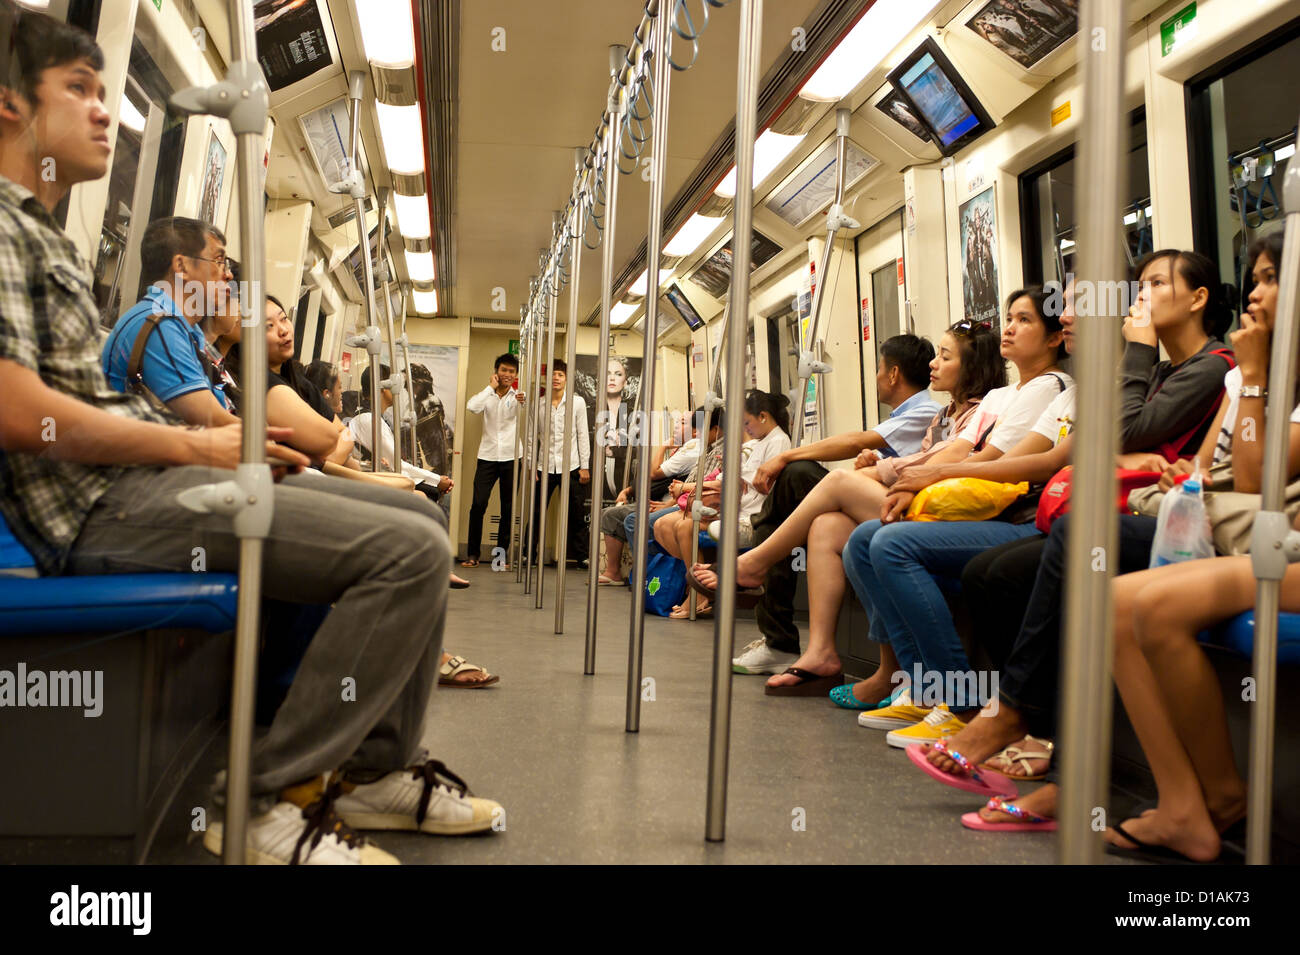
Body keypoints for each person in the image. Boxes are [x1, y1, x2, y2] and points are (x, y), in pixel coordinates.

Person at [0, 7, 499, 864]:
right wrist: (197, 448)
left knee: (418, 527)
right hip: (97, 510)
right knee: (408, 551)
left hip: (133, 485)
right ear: (10, 105)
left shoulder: (46, 239)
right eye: (77, 88)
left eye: (103, 88)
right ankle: (263, 791)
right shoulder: (11, 232)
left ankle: (370, 771)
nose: (98, 108)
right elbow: (16, 410)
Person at [721, 333, 958, 673]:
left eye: (878, 369)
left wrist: (787, 455)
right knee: (815, 518)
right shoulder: (921, 415)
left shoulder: (925, 411)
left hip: (902, 505)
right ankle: (791, 638)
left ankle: (762, 581)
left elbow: (854, 442)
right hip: (885, 495)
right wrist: (873, 463)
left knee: (797, 472)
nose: (876, 377)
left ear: (892, 374)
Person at [657, 391, 791, 617]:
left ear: (763, 417)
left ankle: (699, 592)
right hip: (736, 508)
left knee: (684, 527)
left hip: (753, 516)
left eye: (747, 422)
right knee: (662, 526)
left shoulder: (778, 442)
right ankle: (700, 582)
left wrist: (735, 480)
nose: (745, 429)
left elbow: (758, 483)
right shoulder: (761, 442)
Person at [101, 216, 239, 427]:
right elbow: (215, 422)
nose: (228, 275)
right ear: (182, 267)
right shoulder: (161, 328)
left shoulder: (188, 330)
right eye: (219, 262)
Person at [351, 361, 453, 499]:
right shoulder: (369, 420)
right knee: (429, 494)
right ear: (383, 387)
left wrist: (435, 480)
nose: (399, 389)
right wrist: (436, 480)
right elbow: (396, 465)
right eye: (394, 384)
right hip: (378, 482)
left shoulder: (429, 403)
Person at [462, 352, 525, 567]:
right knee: (478, 505)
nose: (507, 374)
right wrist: (490, 388)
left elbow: (524, 408)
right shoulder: (486, 395)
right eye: (504, 370)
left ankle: (501, 557)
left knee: (507, 507)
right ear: (496, 372)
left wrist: (521, 400)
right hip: (487, 457)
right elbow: (472, 407)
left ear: (516, 375)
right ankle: (473, 554)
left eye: (511, 371)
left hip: (511, 457)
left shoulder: (518, 396)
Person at [531, 358, 590, 566]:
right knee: (536, 512)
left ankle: (582, 556)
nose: (556, 378)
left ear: (566, 379)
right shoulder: (538, 405)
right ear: (546, 378)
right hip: (544, 466)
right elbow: (532, 436)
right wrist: (531, 467)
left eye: (560, 374)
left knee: (577, 513)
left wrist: (585, 466)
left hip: (571, 466)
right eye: (553, 374)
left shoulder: (577, 403)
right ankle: (529, 553)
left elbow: (583, 435)